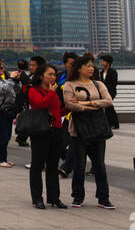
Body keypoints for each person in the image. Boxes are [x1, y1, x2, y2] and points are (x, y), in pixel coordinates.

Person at [63, 53, 114, 209]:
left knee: (99, 165)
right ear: (79, 68)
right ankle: (78, 196)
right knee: (79, 165)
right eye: (88, 66)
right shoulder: (69, 85)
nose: (92, 68)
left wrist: (85, 103)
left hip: (97, 129)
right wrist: (92, 106)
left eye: (92, 65)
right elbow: (70, 105)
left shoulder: (98, 84)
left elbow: (108, 101)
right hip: (78, 130)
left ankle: (103, 198)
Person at [24, 65, 67, 209]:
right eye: (50, 74)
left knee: (53, 166)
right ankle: (37, 198)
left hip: (55, 130)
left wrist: (68, 107)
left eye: (54, 75)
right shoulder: (33, 90)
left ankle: (54, 197)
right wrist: (51, 93)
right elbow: (41, 104)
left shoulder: (54, 92)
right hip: (40, 131)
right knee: (37, 165)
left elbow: (56, 111)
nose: (53, 77)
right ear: (41, 76)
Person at [97, 54, 120, 130]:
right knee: (108, 107)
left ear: (108, 62)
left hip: (111, 92)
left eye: (103, 61)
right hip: (103, 92)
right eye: (101, 61)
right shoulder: (101, 72)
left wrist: (106, 89)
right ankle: (112, 123)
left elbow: (114, 83)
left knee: (109, 107)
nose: (102, 62)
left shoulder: (113, 72)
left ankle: (114, 123)